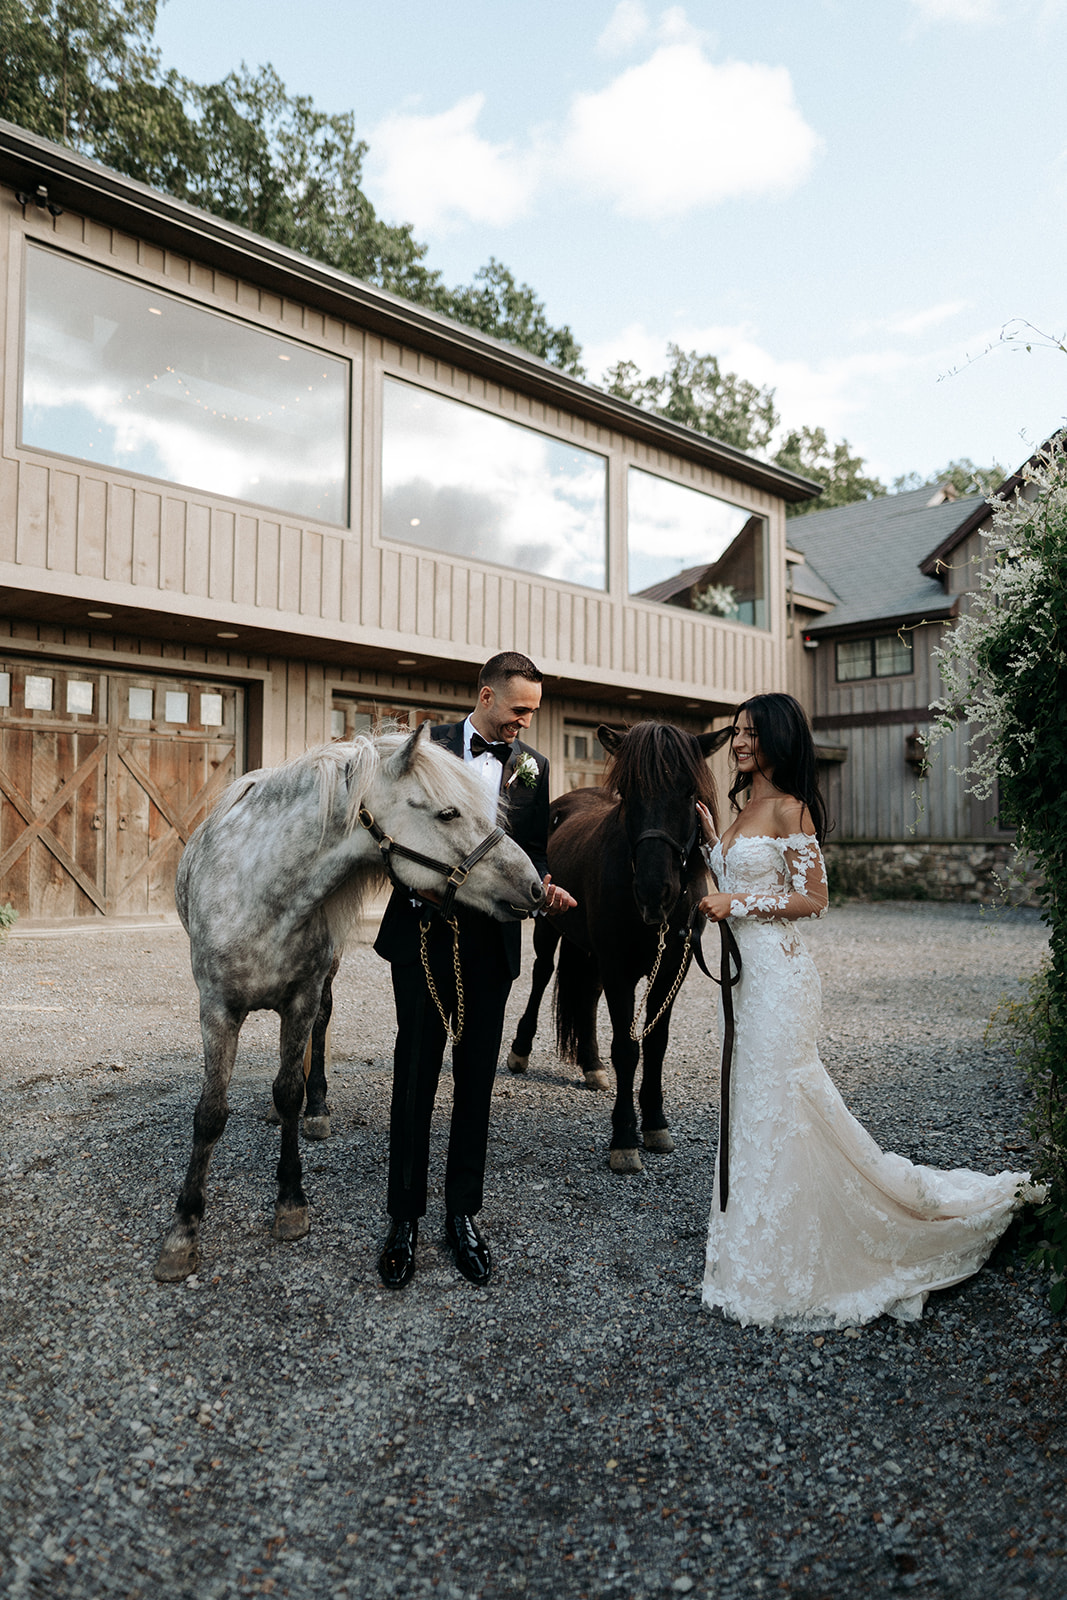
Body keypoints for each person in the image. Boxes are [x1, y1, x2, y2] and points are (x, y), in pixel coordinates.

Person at [695, 691, 1042, 1330]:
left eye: (751, 733)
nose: (739, 742)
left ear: (777, 738)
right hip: (748, 985)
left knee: (784, 1099)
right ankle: (760, 1243)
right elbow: (741, 877)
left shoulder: (791, 809)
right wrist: (716, 843)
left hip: (780, 978)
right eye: (737, 732)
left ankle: (832, 1241)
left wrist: (734, 905)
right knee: (753, 1104)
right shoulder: (744, 808)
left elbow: (814, 899)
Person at [373, 652, 575, 1290]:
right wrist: (417, 888)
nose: (525, 723)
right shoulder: (423, 750)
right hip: (424, 936)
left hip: (492, 945)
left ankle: (462, 1215)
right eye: (518, 710)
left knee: (476, 1084)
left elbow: (535, 851)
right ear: (485, 695)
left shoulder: (532, 769)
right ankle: (403, 1218)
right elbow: (381, 830)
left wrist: (545, 885)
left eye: (533, 713)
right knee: (414, 1076)